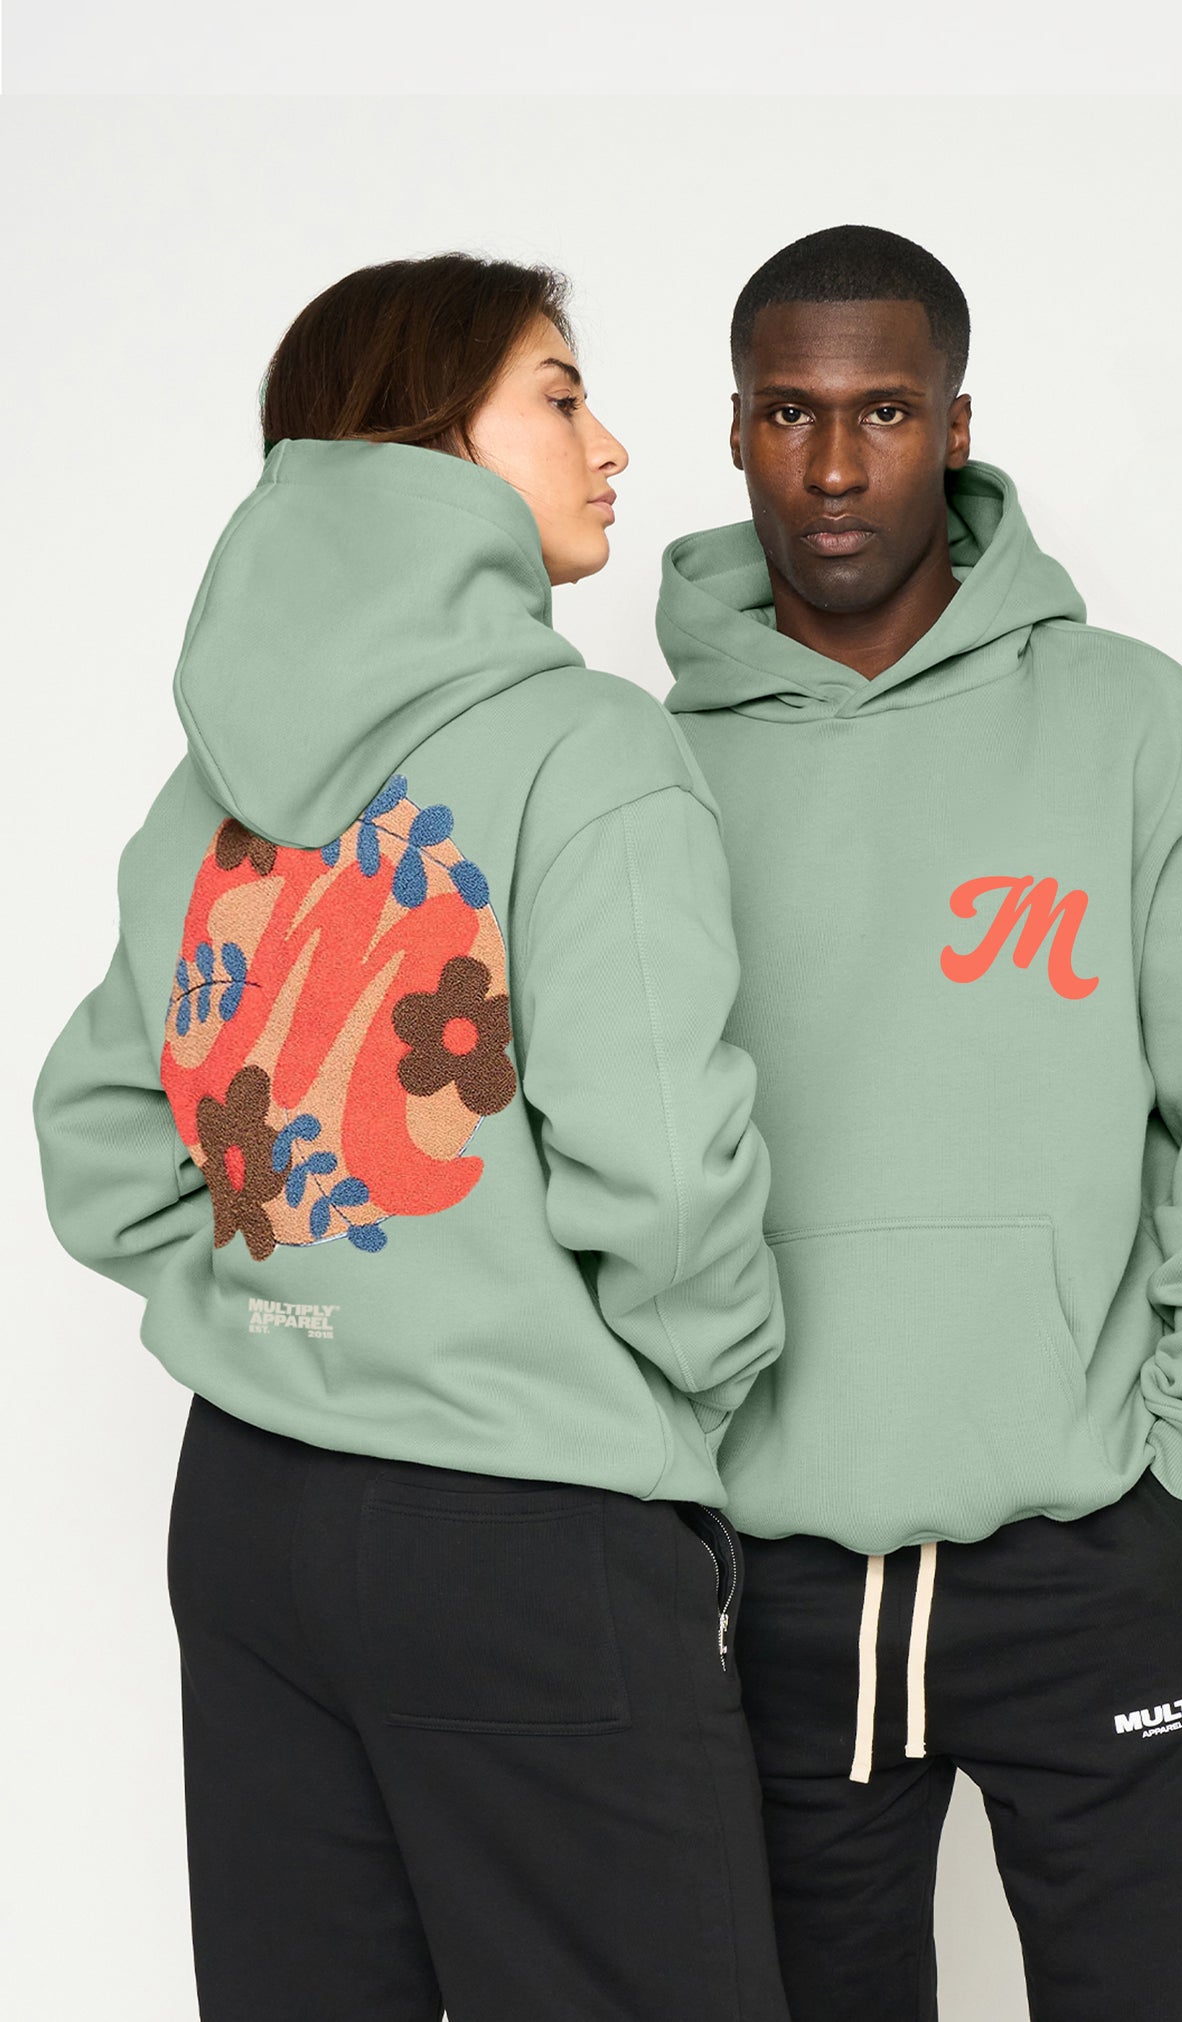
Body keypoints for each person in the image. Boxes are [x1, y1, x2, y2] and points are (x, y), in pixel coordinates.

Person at [34, 252, 791, 2022]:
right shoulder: (586, 752)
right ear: (434, 442)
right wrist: (702, 1388)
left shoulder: (211, 782)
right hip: (527, 1526)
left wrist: (286, 1308)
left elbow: (98, 1134)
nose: (612, 443)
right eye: (559, 395)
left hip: (249, 1512)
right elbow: (664, 1175)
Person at [656, 224, 1182, 2022]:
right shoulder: (647, 773)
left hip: (1090, 1554)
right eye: (791, 413)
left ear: (958, 425)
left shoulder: (1131, 725)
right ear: (734, 430)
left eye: (885, 411)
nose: (835, 466)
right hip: (773, 1582)